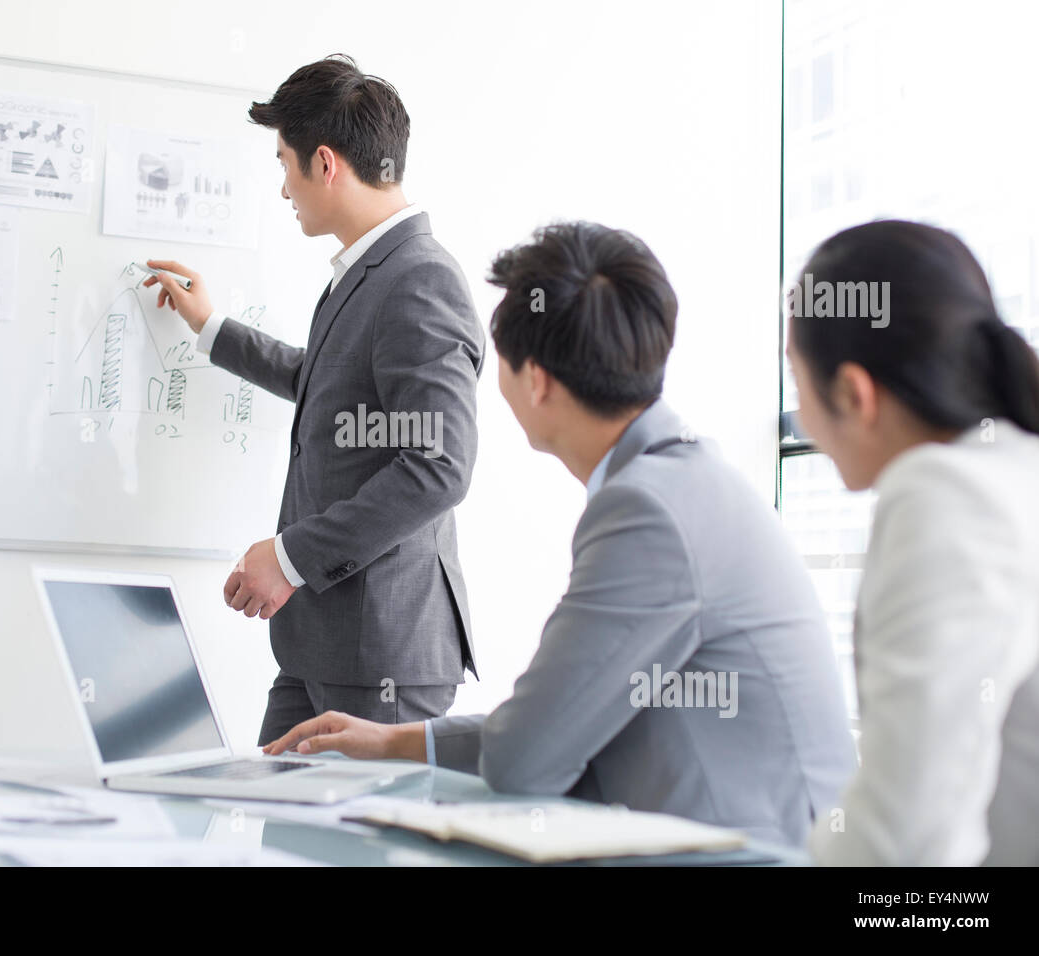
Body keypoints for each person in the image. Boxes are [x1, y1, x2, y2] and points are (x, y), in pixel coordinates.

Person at [264, 221, 856, 847]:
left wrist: (404, 745)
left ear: (537, 381)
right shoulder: (681, 480)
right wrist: (395, 741)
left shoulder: (647, 512)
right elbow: (550, 727)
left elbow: (526, 757)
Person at [143, 55, 484, 745]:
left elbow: (439, 466)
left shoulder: (419, 279)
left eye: (284, 164)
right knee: (266, 813)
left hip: (381, 656)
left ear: (324, 163)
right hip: (321, 647)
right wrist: (212, 328)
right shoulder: (366, 272)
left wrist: (291, 556)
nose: (282, 188)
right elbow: (326, 383)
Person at [786, 220, 1039, 866]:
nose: (800, 414)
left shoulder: (947, 493)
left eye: (796, 378)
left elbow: (902, 842)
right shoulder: (1013, 470)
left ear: (854, 393)